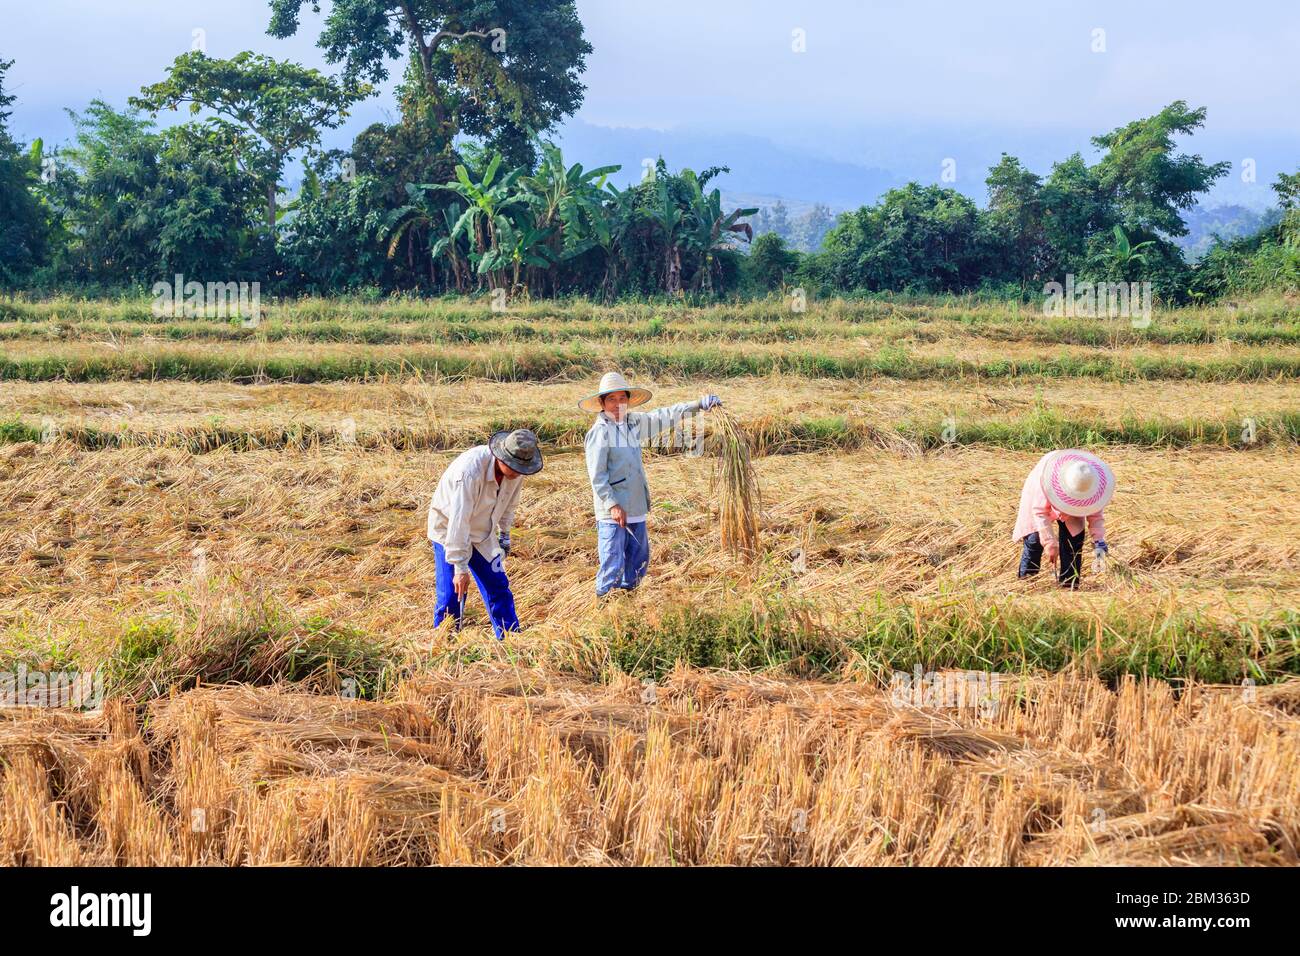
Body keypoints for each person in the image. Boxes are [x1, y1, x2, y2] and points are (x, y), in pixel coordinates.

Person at [581, 372, 722, 598]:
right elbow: (597, 476)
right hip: (614, 513)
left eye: (622, 399)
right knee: (612, 565)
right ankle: (604, 609)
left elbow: (665, 416)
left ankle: (628, 604)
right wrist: (612, 505)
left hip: (636, 506)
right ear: (601, 403)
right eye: (611, 399)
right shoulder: (599, 433)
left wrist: (698, 405)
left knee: (638, 562)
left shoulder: (633, 423)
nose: (618, 405)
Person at [427, 429, 543, 639]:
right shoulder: (470, 472)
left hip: (483, 532)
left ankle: (511, 640)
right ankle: (444, 643)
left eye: (521, 468)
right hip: (448, 530)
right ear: (501, 455)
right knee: (452, 595)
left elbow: (509, 505)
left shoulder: (517, 470)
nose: (517, 472)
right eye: (514, 467)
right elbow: (459, 521)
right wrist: (460, 568)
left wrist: (504, 535)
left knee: (498, 586)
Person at [1013, 449, 1114, 589]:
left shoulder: (1091, 483)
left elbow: (1095, 515)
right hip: (1040, 493)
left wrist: (1099, 541)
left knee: (1073, 541)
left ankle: (1069, 586)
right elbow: (1040, 511)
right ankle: (1025, 586)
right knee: (1034, 540)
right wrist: (1050, 543)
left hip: (1075, 496)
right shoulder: (1045, 479)